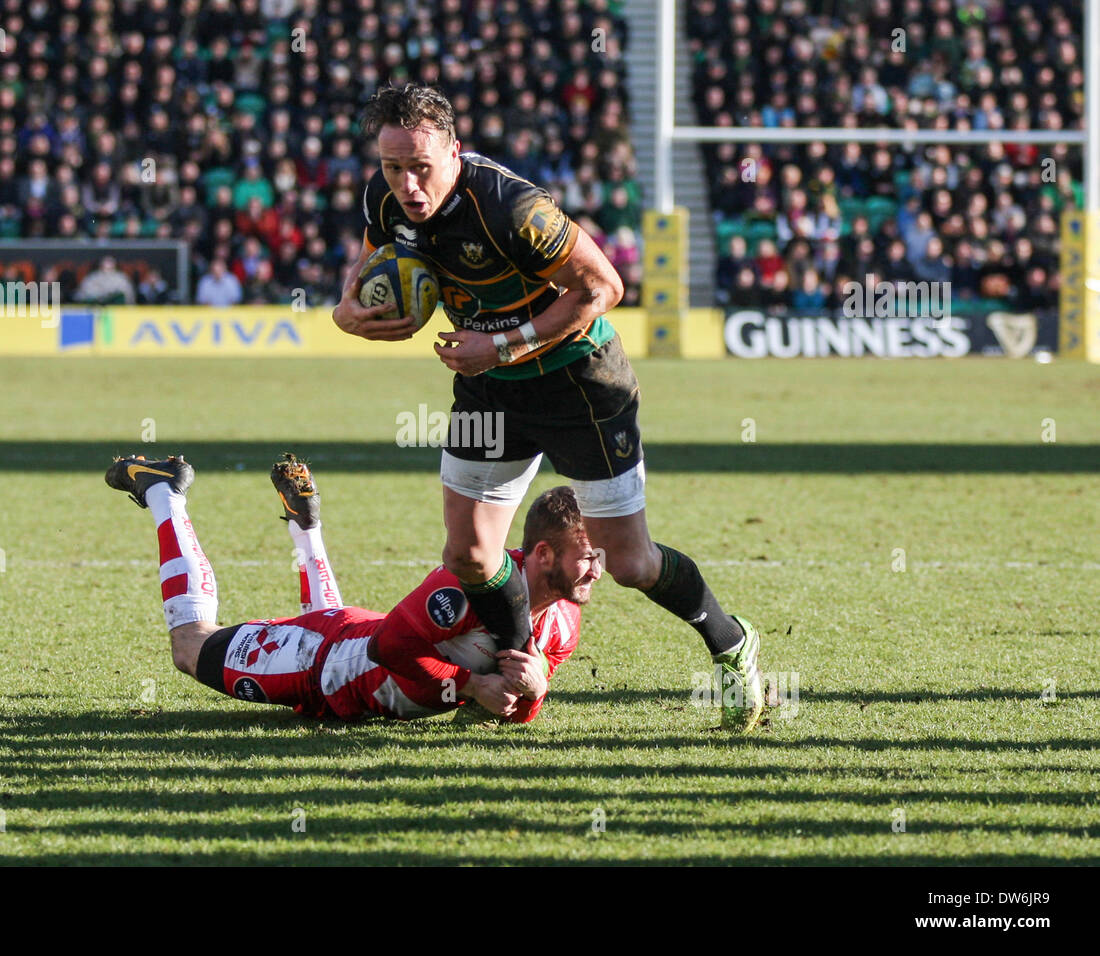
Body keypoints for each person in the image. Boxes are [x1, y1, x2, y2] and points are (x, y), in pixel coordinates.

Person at [331, 83, 766, 730]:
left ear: (454, 151)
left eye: (421, 167)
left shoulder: (513, 208)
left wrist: (501, 345)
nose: (408, 185)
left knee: (630, 563)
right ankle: (517, 663)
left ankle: (731, 642)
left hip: (578, 383)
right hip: (490, 388)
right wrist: (345, 308)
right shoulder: (385, 196)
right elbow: (372, 256)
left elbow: (604, 287)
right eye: (394, 167)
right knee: (470, 556)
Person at [103, 453, 597, 723]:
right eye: (588, 555)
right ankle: (164, 491)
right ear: (544, 554)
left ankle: (307, 527)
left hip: (347, 647)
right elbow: (389, 646)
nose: (599, 567)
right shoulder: (469, 585)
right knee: (191, 646)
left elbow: (504, 709)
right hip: (319, 665)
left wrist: (534, 694)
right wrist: (470, 684)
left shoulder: (564, 622)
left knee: (338, 639)